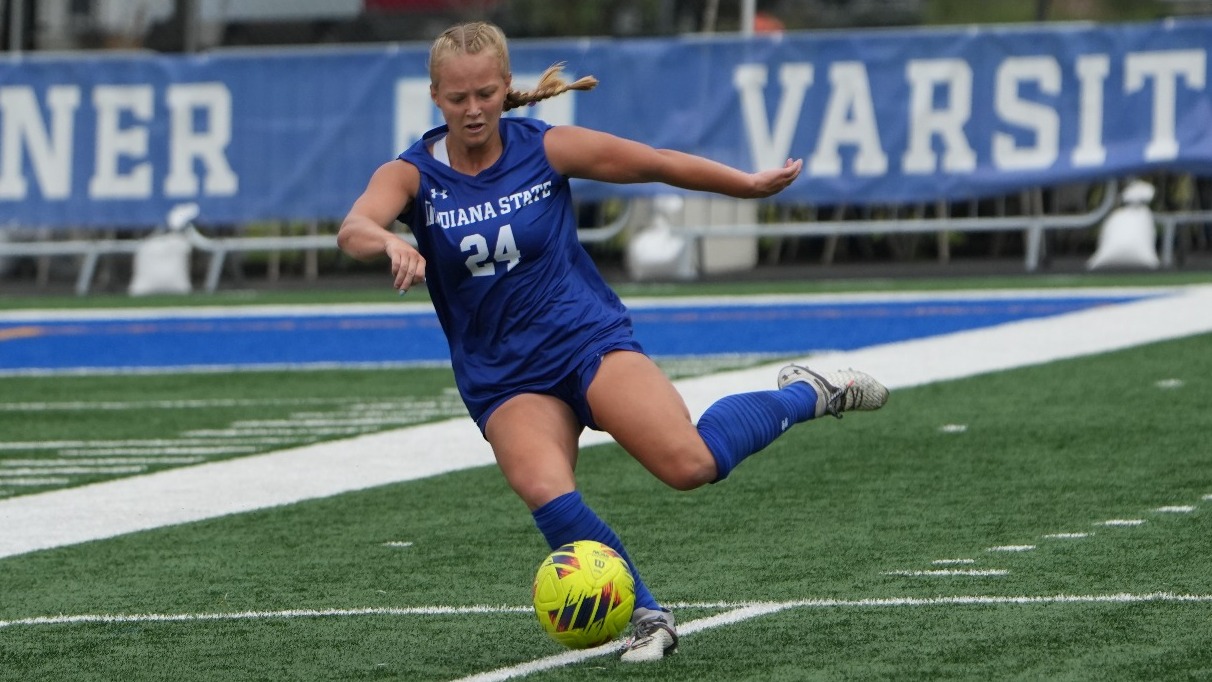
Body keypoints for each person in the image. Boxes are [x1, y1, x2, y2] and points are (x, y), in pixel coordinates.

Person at [337, 21, 888, 663]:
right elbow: (353, 226)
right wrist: (388, 241)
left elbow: (654, 163)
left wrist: (747, 184)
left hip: (585, 342)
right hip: (504, 375)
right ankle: (649, 617)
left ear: (504, 88)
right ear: (434, 96)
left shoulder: (546, 148)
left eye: (486, 93)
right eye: (458, 98)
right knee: (547, 491)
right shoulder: (411, 175)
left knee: (691, 465)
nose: (474, 109)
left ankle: (807, 394)